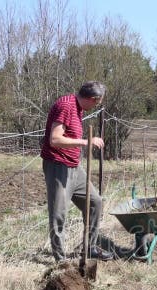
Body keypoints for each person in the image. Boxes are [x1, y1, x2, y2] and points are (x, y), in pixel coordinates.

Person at [41, 81, 114, 262]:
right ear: (92, 98)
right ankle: (61, 260)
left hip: (74, 166)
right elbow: (55, 139)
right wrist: (86, 142)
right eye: (97, 103)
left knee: (95, 202)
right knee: (58, 214)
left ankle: (90, 248)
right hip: (58, 166)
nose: (96, 106)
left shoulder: (78, 108)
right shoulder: (66, 105)